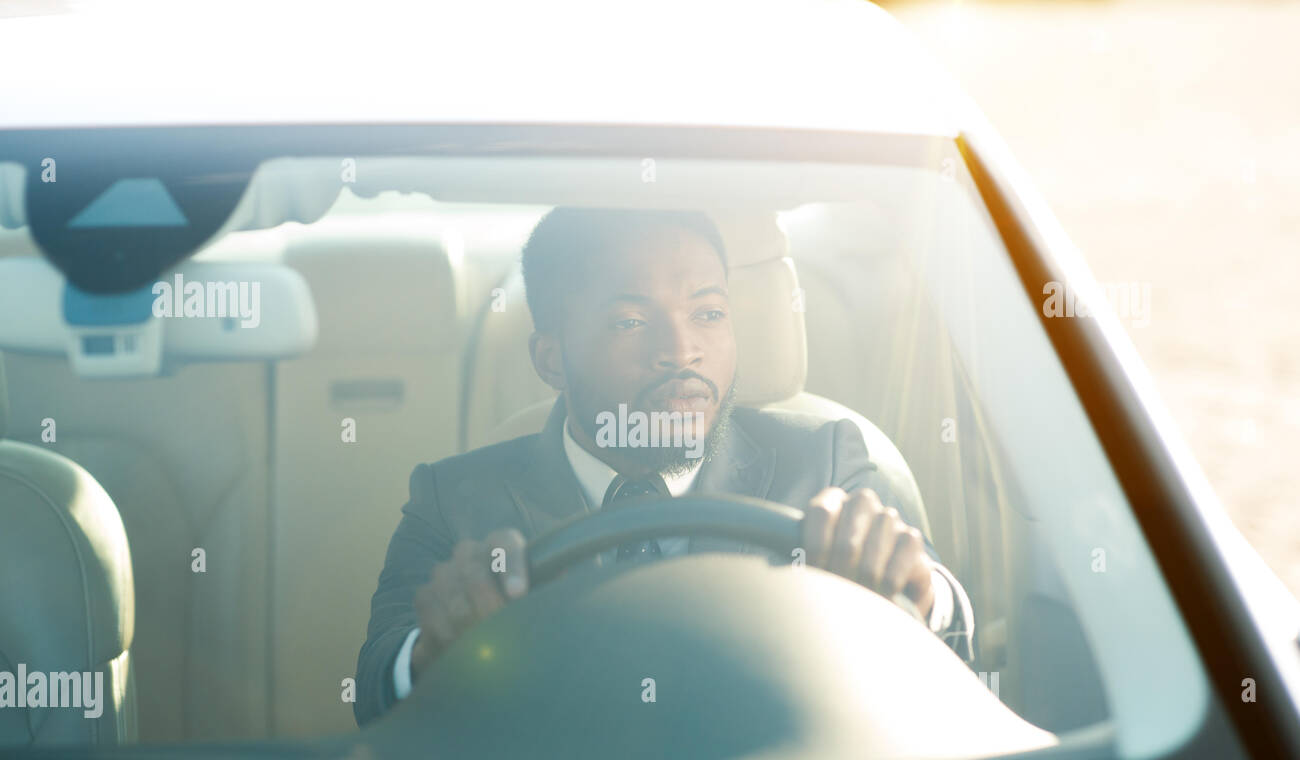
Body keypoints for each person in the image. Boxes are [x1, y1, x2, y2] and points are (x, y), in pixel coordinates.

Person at [354, 208, 973, 726]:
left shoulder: (824, 463)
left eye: (708, 313)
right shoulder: (454, 498)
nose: (681, 351)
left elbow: (948, 629)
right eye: (630, 322)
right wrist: (433, 652)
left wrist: (915, 587)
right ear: (551, 360)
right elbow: (380, 682)